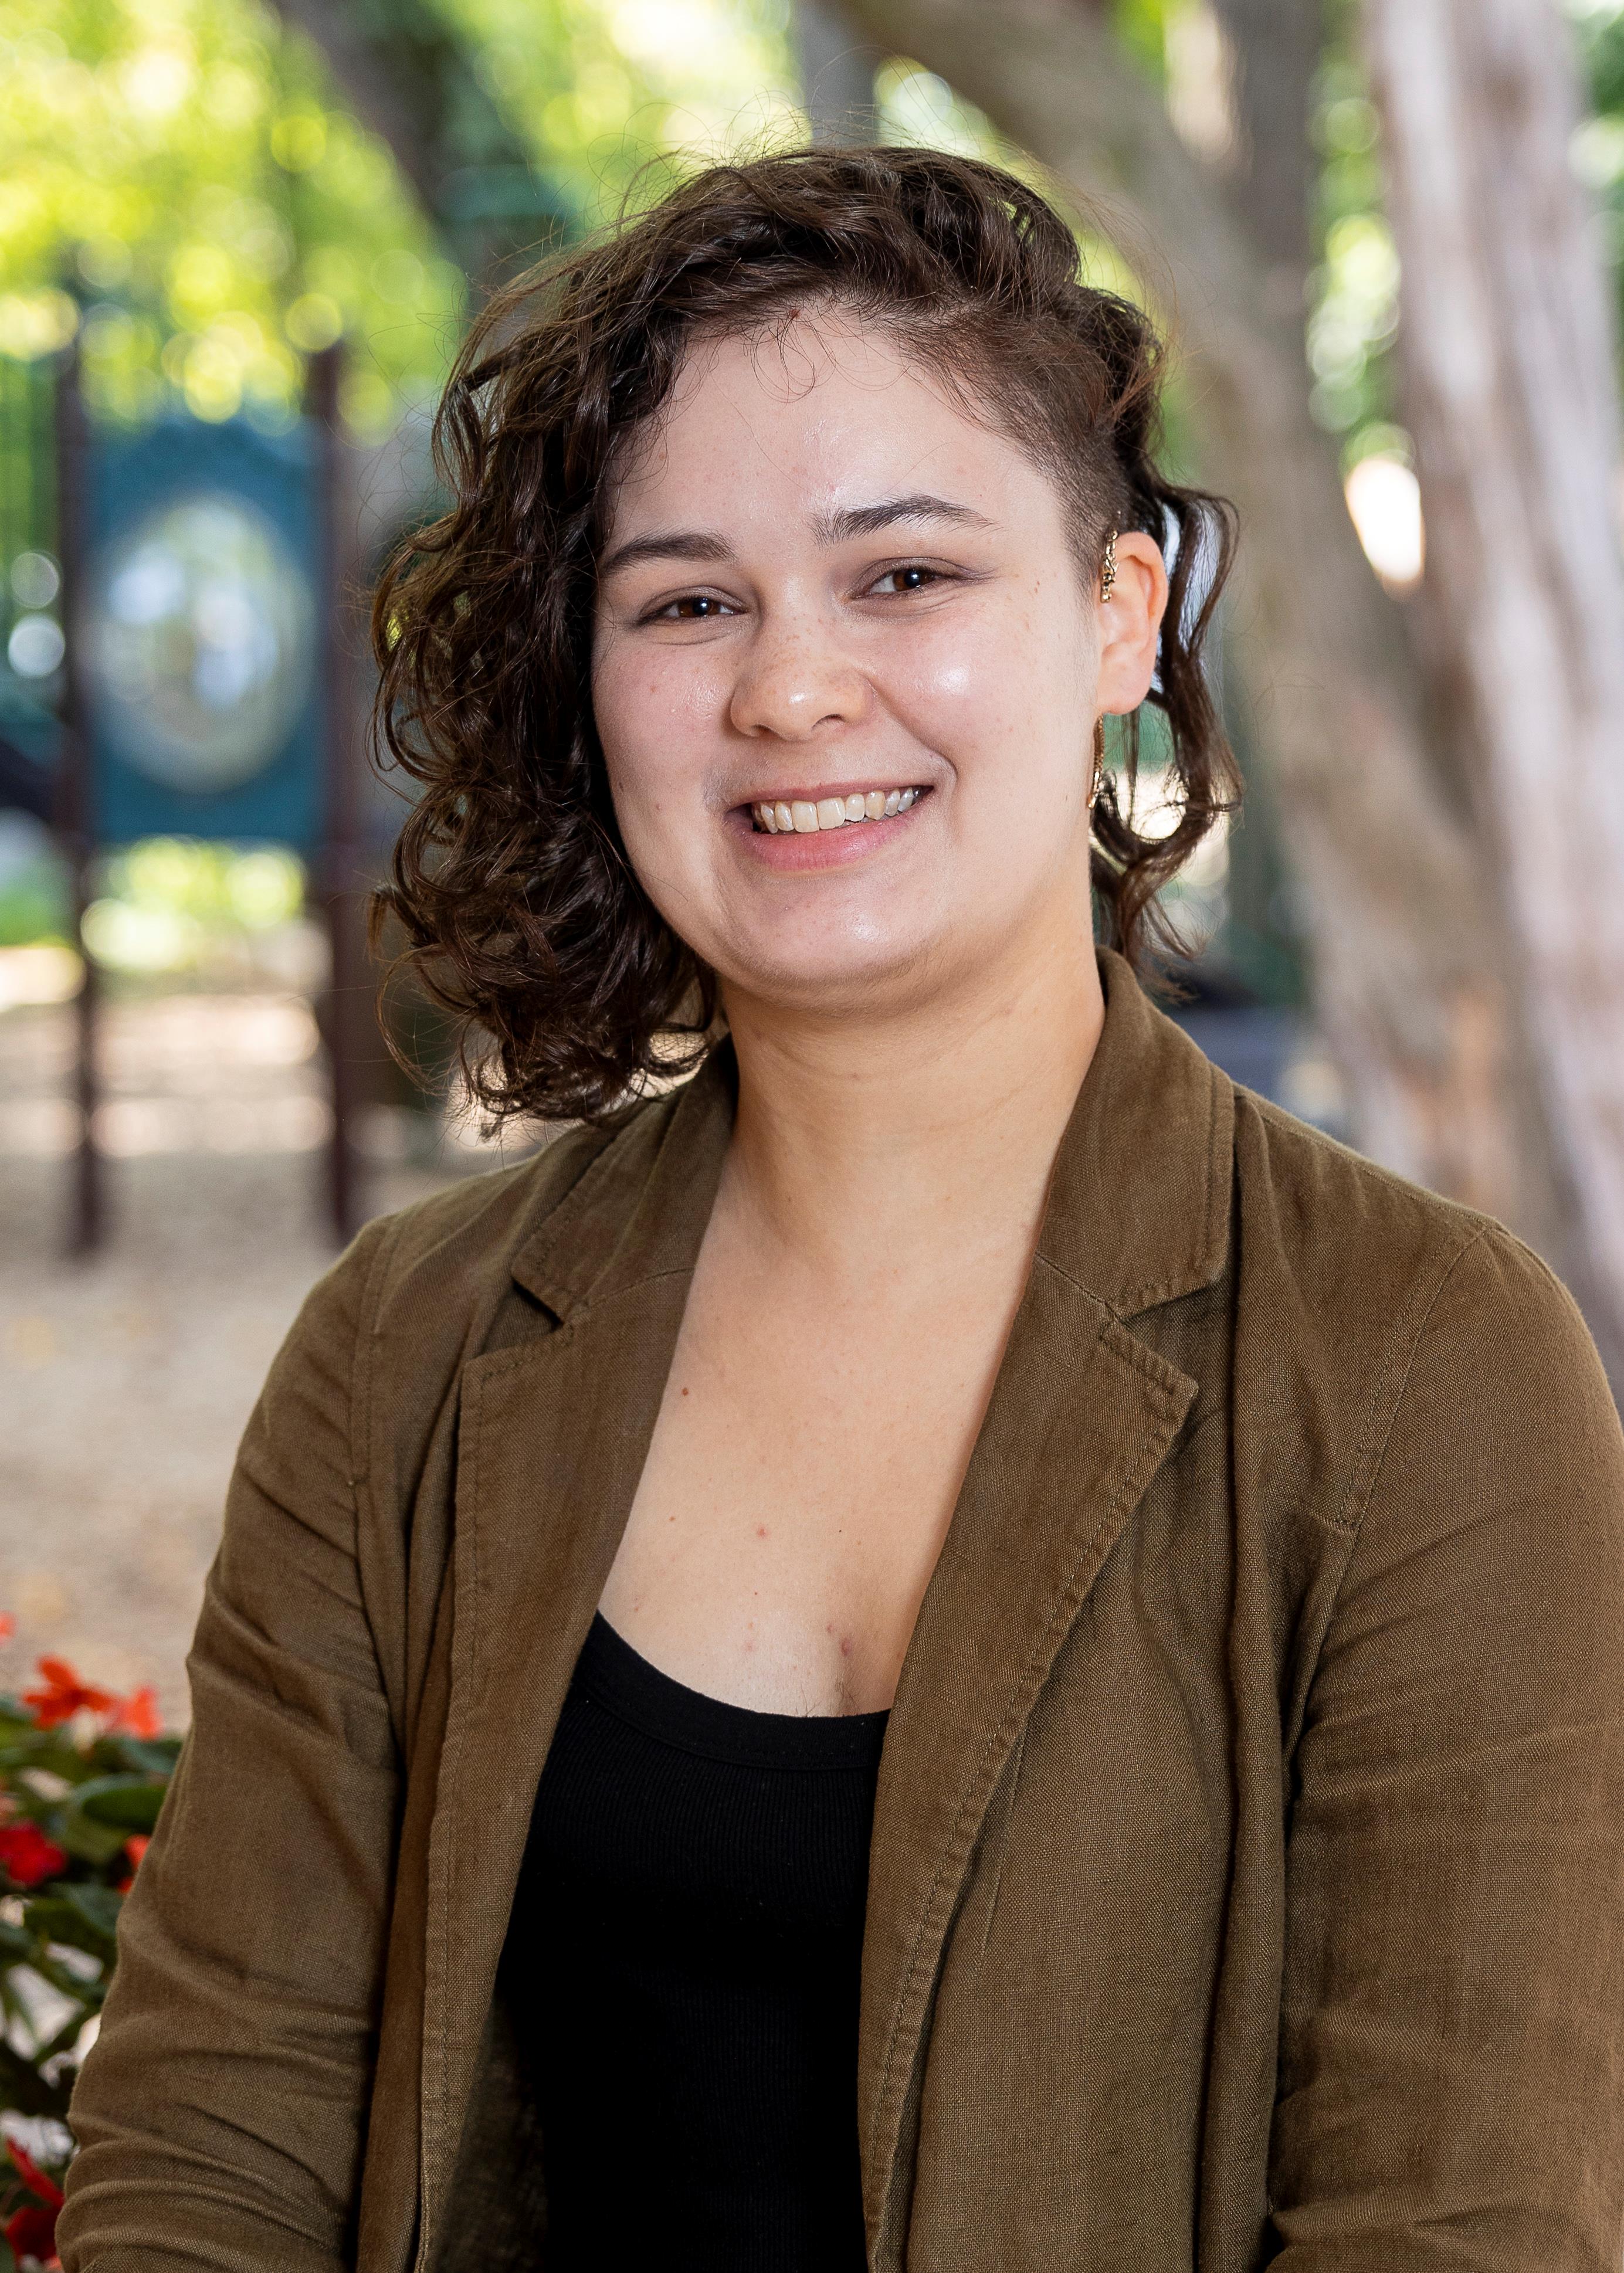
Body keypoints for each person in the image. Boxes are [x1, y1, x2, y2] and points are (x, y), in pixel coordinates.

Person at [59, 147, 1624, 2273]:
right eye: (687, 598)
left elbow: (1464, 2229)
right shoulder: (402, 1349)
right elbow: (211, 2145)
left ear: (1115, 615)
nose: (789, 689)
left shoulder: (1426, 1364)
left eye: (901, 575)